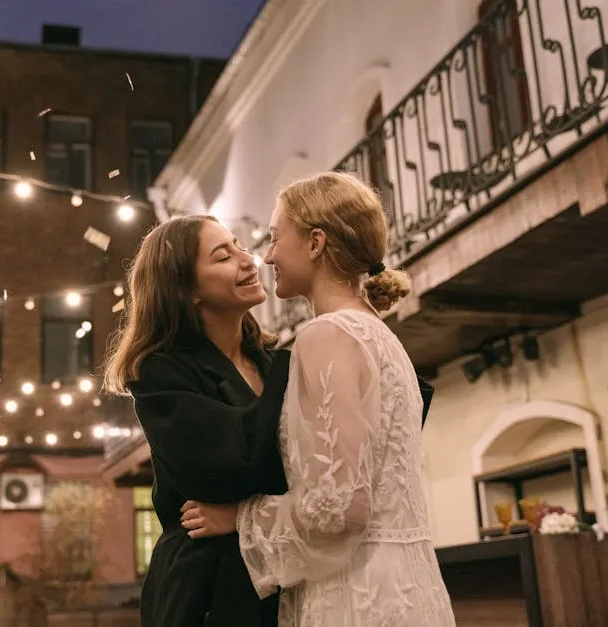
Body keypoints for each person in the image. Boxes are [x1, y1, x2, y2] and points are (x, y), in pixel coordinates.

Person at [180, 172, 456, 626]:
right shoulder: (380, 336)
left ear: (315, 243)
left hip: (355, 592)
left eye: (274, 238)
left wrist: (241, 518)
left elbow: (341, 503)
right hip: (406, 581)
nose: (267, 257)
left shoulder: (325, 336)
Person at [103, 215, 292, 627]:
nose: (249, 261)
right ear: (187, 290)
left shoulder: (273, 362)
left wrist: (241, 514)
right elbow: (232, 462)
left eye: (241, 246)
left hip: (286, 576)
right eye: (224, 256)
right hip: (210, 589)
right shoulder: (158, 373)